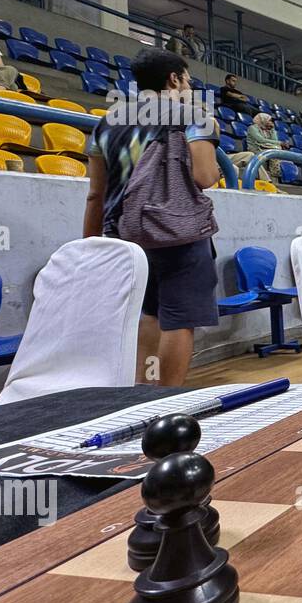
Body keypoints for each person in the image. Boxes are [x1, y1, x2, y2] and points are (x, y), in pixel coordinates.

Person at [82, 49, 221, 387]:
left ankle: (144, 394)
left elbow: (96, 194)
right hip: (178, 233)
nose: (189, 87)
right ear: (174, 79)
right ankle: (168, 397)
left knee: (148, 314)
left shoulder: (107, 121)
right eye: (187, 80)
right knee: (179, 320)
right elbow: (205, 177)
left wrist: (91, 246)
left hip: (125, 235)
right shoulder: (193, 116)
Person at [229, 111, 286, 185]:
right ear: (263, 119)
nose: (271, 122)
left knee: (276, 151)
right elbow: (260, 140)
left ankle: (274, 175)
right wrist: (280, 143)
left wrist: (272, 130)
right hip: (256, 148)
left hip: (266, 148)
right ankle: (271, 178)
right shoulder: (252, 128)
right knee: (275, 149)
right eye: (269, 120)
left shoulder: (269, 129)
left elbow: (274, 140)